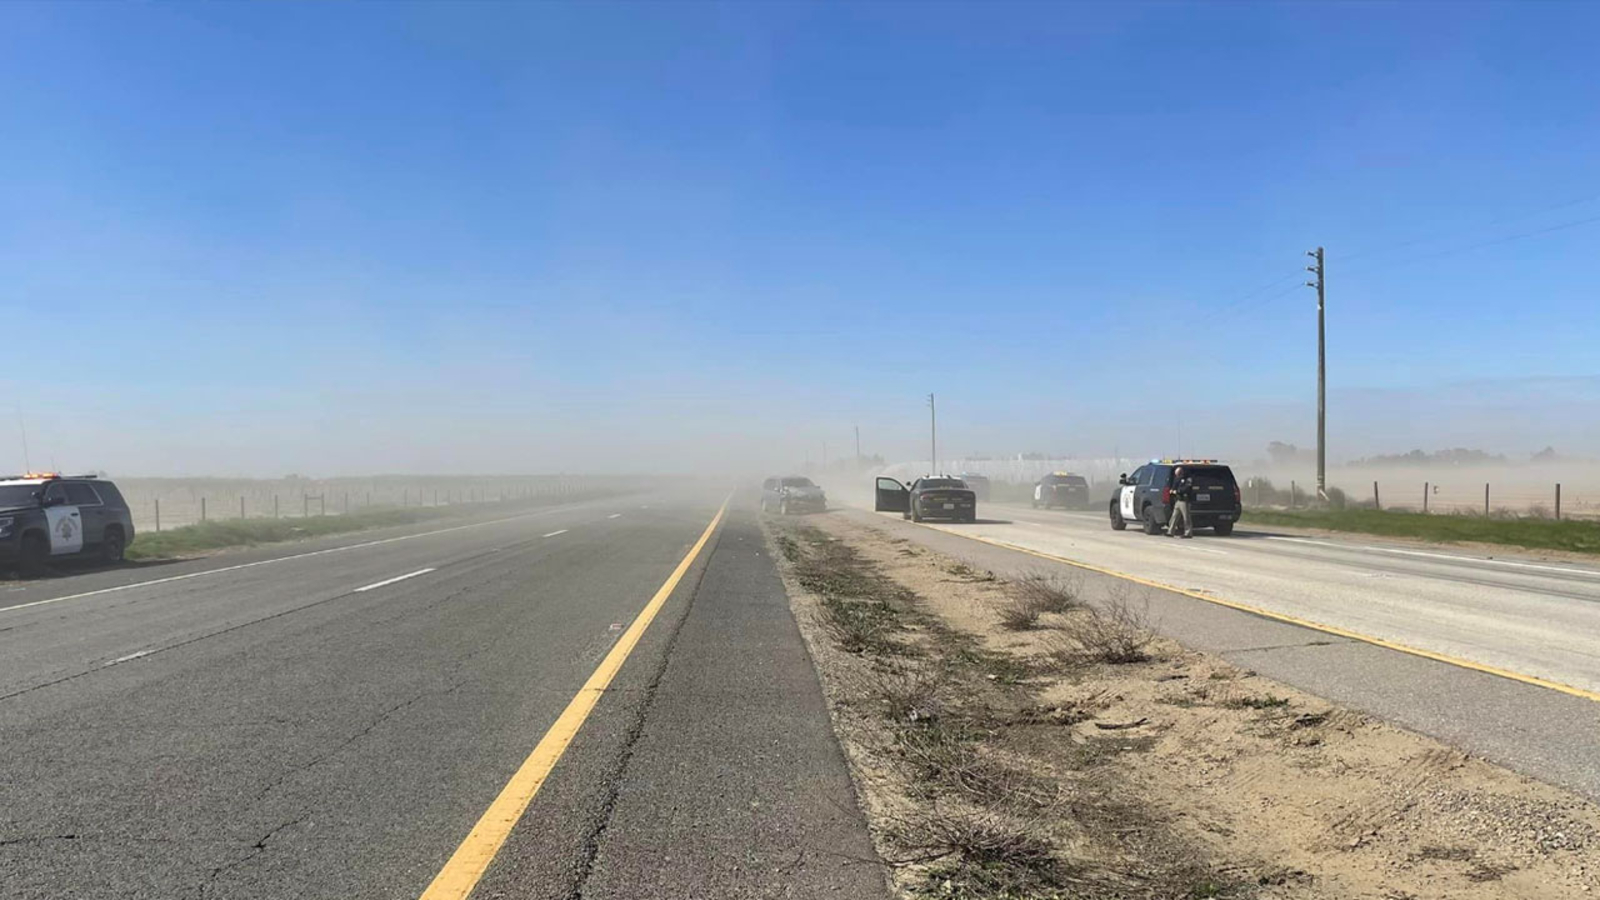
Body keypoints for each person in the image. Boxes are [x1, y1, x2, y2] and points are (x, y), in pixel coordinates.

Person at [1167, 467, 1194, 538]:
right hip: (1178, 500)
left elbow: (1187, 488)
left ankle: (1188, 533)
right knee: (1174, 517)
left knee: (1186, 518)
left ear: (1181, 472)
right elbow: (1174, 486)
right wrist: (1172, 490)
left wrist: (1178, 491)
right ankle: (1170, 532)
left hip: (1184, 501)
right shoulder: (1177, 479)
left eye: (1178, 474)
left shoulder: (1187, 479)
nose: (1177, 475)